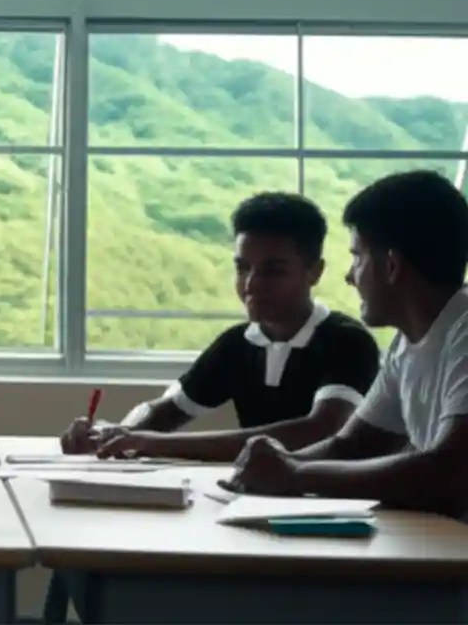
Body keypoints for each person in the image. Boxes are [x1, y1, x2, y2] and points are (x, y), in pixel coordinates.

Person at [61, 192, 380, 462]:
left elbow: (321, 429)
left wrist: (154, 443)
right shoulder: (237, 344)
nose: (251, 284)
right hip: (259, 496)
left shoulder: (346, 340)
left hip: (334, 502)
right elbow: (165, 410)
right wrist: (116, 434)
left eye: (272, 271)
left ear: (314, 272)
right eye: (242, 268)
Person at [225, 170, 468, 518]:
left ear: (391, 265)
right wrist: (281, 464)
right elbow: (354, 445)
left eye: (357, 256)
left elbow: (450, 472)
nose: (350, 276)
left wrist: (295, 474)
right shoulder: (406, 343)